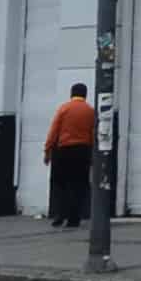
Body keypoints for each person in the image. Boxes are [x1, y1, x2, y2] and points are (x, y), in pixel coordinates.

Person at [43, 84, 96, 228]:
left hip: (63, 151)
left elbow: (54, 130)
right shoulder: (90, 111)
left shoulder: (64, 109)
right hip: (82, 151)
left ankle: (60, 215)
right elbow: (93, 133)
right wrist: (91, 155)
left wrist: (47, 150)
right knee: (79, 185)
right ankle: (74, 218)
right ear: (85, 94)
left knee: (61, 185)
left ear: (71, 94)